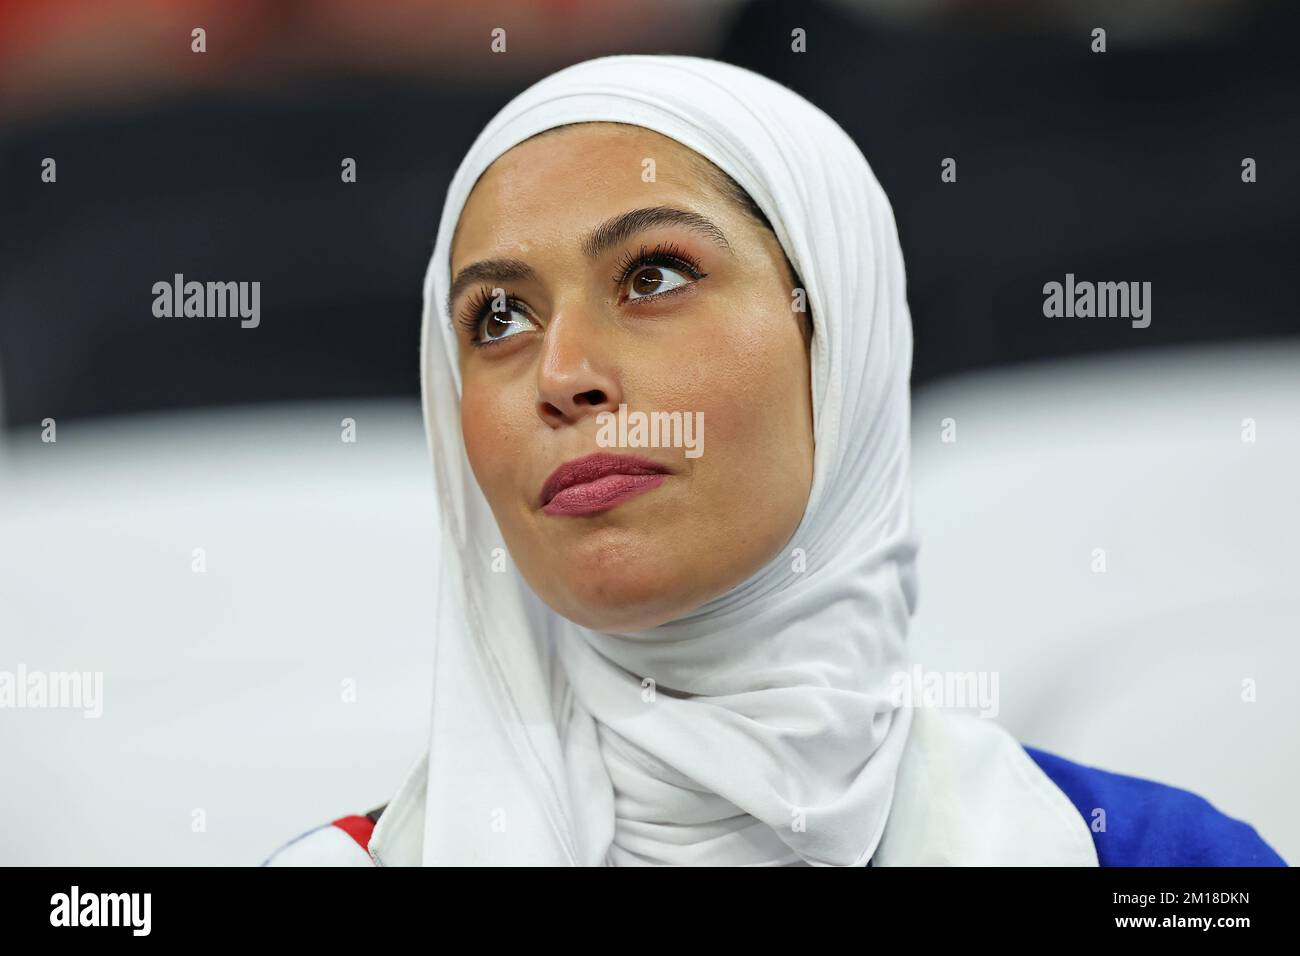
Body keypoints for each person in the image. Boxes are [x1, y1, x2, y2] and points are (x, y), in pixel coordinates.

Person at [264, 54, 1285, 867]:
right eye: (497, 317)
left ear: (833, 334)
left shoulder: (1161, 866)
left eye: (654, 274)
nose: (561, 372)